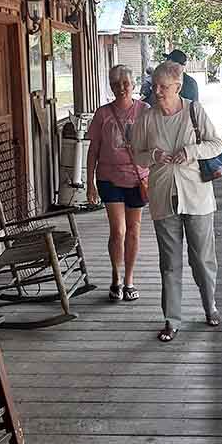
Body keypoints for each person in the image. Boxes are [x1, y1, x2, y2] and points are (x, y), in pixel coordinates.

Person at [131, 60, 222, 342]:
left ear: (178, 86)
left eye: (163, 86)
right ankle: (171, 320)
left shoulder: (194, 111)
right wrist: (153, 157)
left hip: (197, 196)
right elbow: (137, 155)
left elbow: (216, 143)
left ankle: (210, 307)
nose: (157, 91)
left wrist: (191, 150)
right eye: (155, 86)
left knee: (202, 259)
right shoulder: (147, 118)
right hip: (163, 197)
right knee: (169, 263)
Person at [86, 64, 149, 302]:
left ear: (133, 85)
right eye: (116, 84)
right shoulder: (102, 114)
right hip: (108, 178)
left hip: (137, 178)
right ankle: (116, 277)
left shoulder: (145, 110)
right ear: (111, 87)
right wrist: (90, 183)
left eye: (125, 83)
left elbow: (155, 143)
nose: (121, 88)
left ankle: (129, 279)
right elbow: (93, 150)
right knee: (118, 230)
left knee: (133, 230)